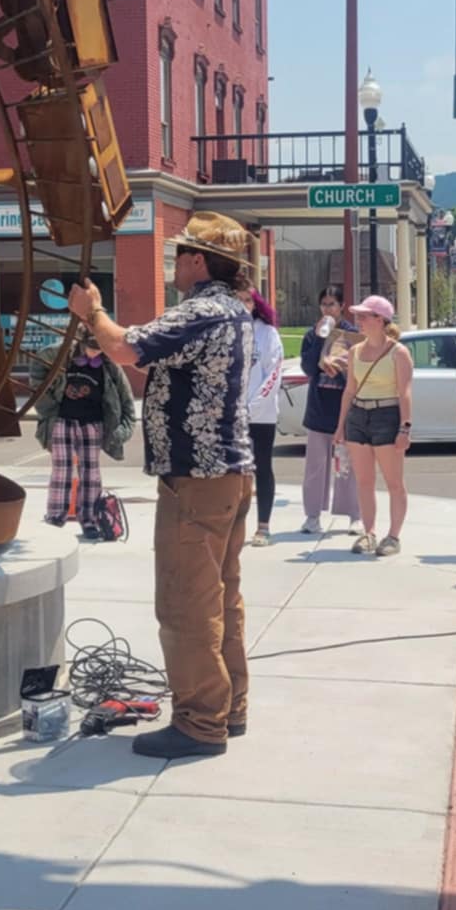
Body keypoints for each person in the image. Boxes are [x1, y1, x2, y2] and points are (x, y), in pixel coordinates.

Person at [69, 211, 256, 760]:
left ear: (198, 261)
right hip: (226, 474)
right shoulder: (233, 311)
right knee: (222, 598)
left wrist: (93, 312)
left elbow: (127, 349)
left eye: (179, 254)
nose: (174, 262)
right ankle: (229, 708)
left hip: (196, 481)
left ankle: (201, 722)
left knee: (186, 605)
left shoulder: (201, 311)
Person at [332, 294, 412, 557]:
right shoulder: (355, 351)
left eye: (365, 316)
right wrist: (340, 425)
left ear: (381, 319)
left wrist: (404, 428)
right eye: (359, 316)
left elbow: (405, 393)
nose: (360, 321)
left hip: (386, 415)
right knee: (364, 481)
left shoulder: (398, 352)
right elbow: (349, 390)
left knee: (394, 482)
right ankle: (369, 532)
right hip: (358, 415)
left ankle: (394, 536)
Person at [33, 340, 136, 539]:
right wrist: (45, 405)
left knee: (91, 474)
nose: (92, 353)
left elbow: (126, 400)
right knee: (61, 470)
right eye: (89, 347)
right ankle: (55, 517)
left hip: (93, 423)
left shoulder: (109, 366)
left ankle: (89, 520)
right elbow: (38, 366)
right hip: (62, 419)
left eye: (98, 348)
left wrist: (121, 432)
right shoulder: (63, 355)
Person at [297, 288, 360, 536]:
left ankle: (354, 515)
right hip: (318, 410)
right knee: (315, 467)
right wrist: (319, 339)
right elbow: (308, 368)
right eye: (323, 304)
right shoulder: (312, 335)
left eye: (332, 304)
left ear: (342, 306)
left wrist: (341, 368)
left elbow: (357, 371)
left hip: (344, 412)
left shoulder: (351, 334)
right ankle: (312, 516)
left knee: (347, 466)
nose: (327, 309)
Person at [243, 288, 284, 546]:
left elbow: (274, 373)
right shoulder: (228, 332)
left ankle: (263, 526)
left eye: (247, 300)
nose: (243, 305)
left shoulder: (267, 333)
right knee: (235, 473)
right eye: (237, 300)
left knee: (262, 467)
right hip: (232, 415)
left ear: (256, 303)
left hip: (262, 414)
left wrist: (253, 405)